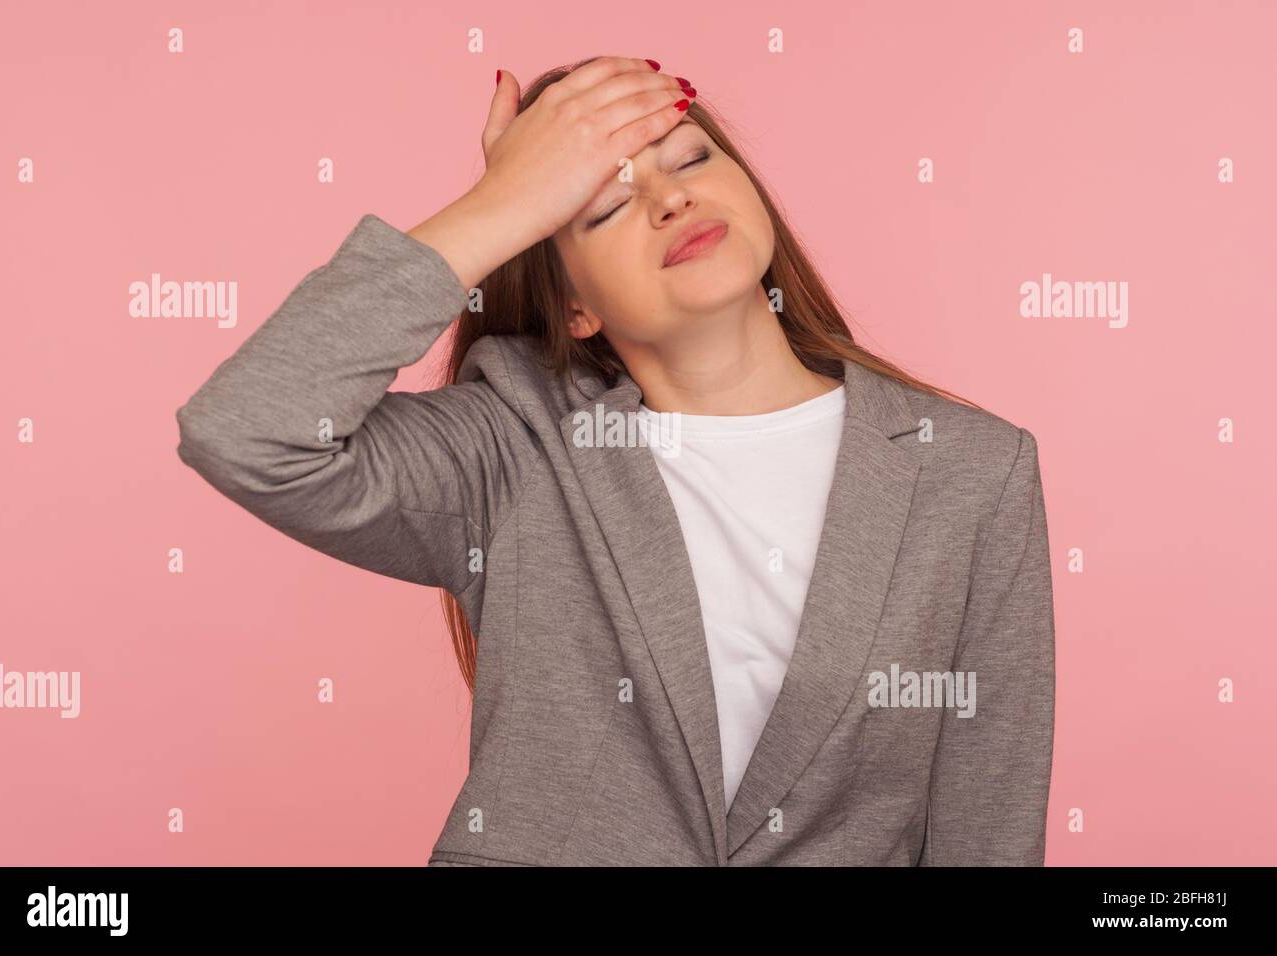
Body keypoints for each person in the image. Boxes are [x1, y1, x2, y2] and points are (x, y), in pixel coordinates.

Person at [176, 55, 1056, 866]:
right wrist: (505, 204)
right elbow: (249, 429)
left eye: (692, 160)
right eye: (601, 205)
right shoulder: (511, 450)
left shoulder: (973, 472)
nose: (670, 200)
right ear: (574, 311)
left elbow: (988, 822)